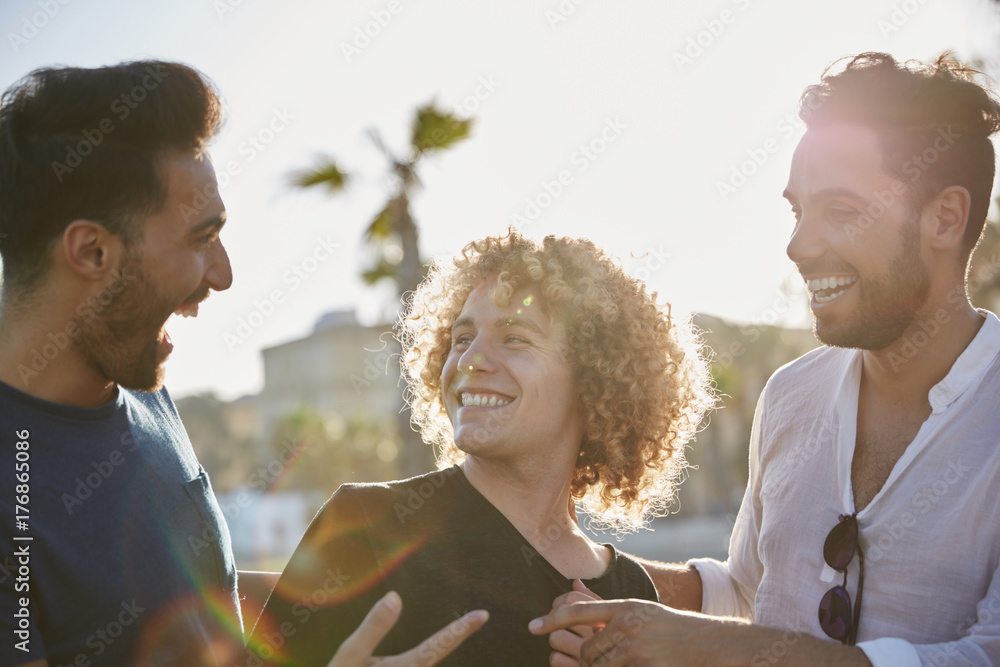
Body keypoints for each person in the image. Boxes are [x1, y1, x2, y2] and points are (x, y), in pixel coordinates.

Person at [0, 60, 482, 667]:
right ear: (91, 251)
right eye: (202, 239)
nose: (224, 275)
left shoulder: (141, 387)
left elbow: (187, 606)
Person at [531, 52, 1000, 666]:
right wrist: (580, 569)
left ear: (945, 217)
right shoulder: (790, 395)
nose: (798, 245)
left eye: (841, 210)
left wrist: (713, 649)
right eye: (798, 210)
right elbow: (749, 590)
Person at [245, 231, 714, 665]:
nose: (469, 362)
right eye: (462, 338)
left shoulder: (631, 593)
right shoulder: (362, 524)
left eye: (514, 338)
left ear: (595, 380)